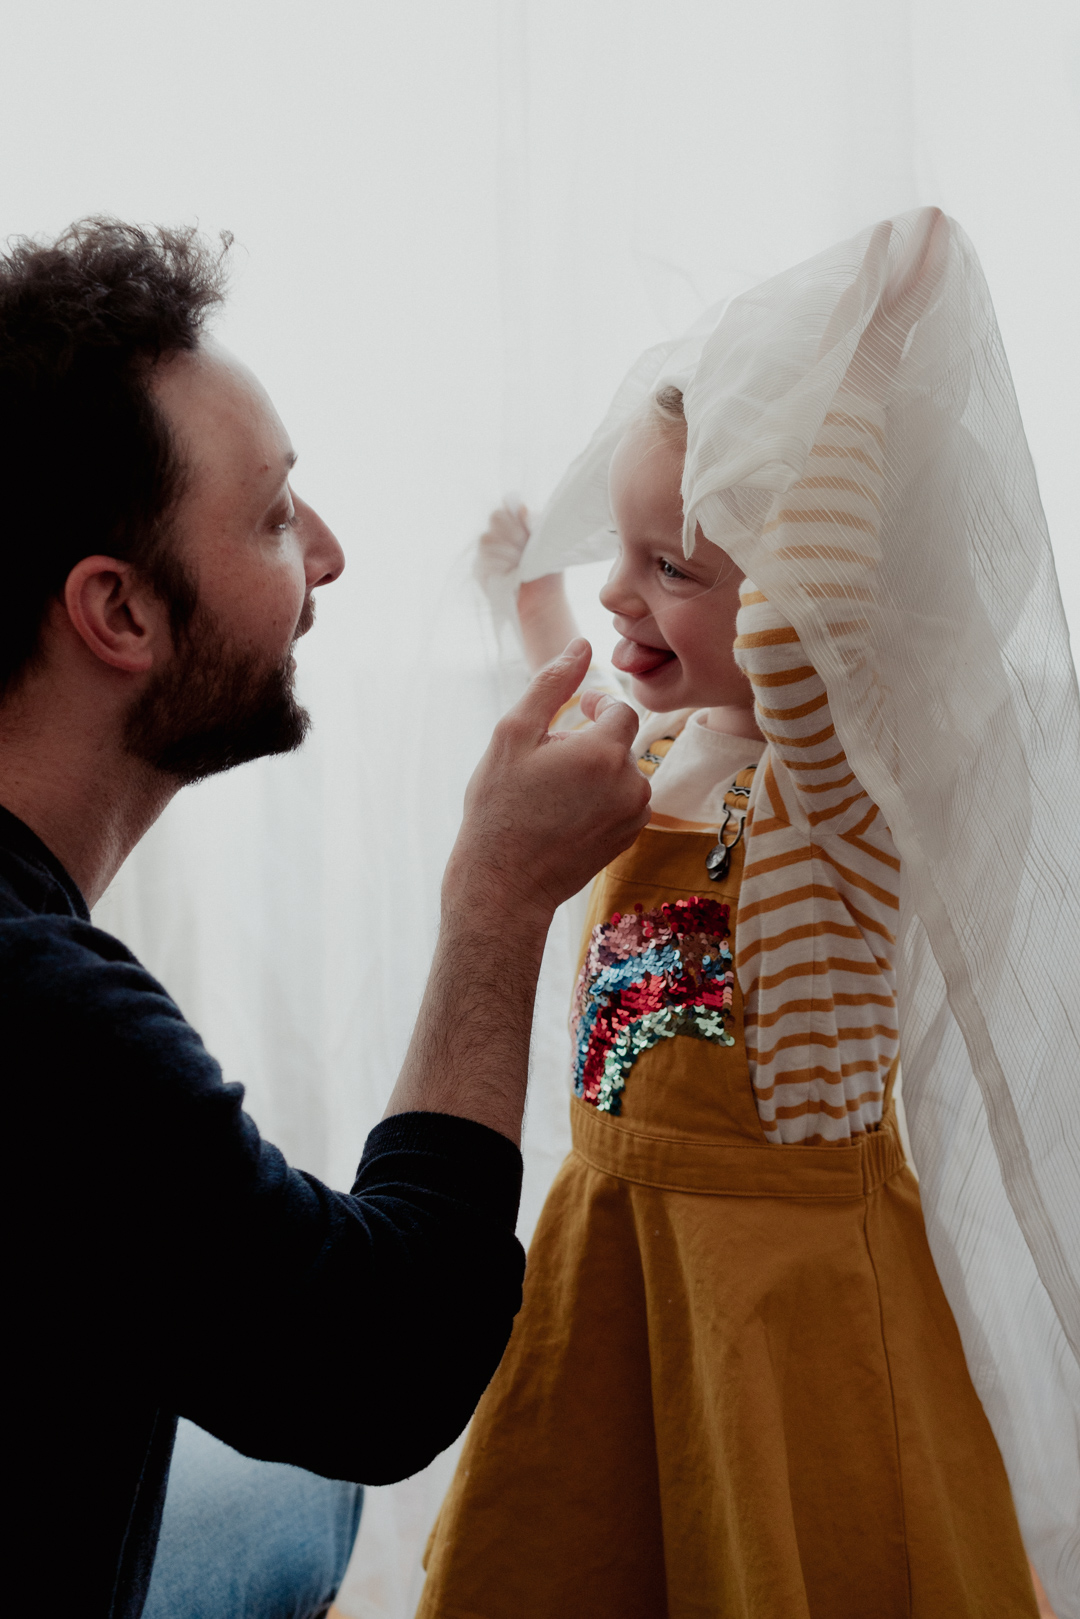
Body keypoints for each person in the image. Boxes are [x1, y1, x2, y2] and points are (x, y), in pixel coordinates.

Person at [418, 210, 1079, 1618]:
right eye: (628, 548)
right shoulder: (656, 753)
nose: (622, 589)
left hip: (777, 1292)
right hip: (616, 1248)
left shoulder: (832, 795)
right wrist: (536, 597)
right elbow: (586, 680)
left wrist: (864, 351)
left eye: (676, 563)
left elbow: (795, 618)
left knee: (772, 1550)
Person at [0, 218, 651, 1619]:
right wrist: (496, 904)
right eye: (276, 516)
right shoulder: (40, 1010)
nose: (334, 556)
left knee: (277, 1490)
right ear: (117, 611)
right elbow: (380, 1367)